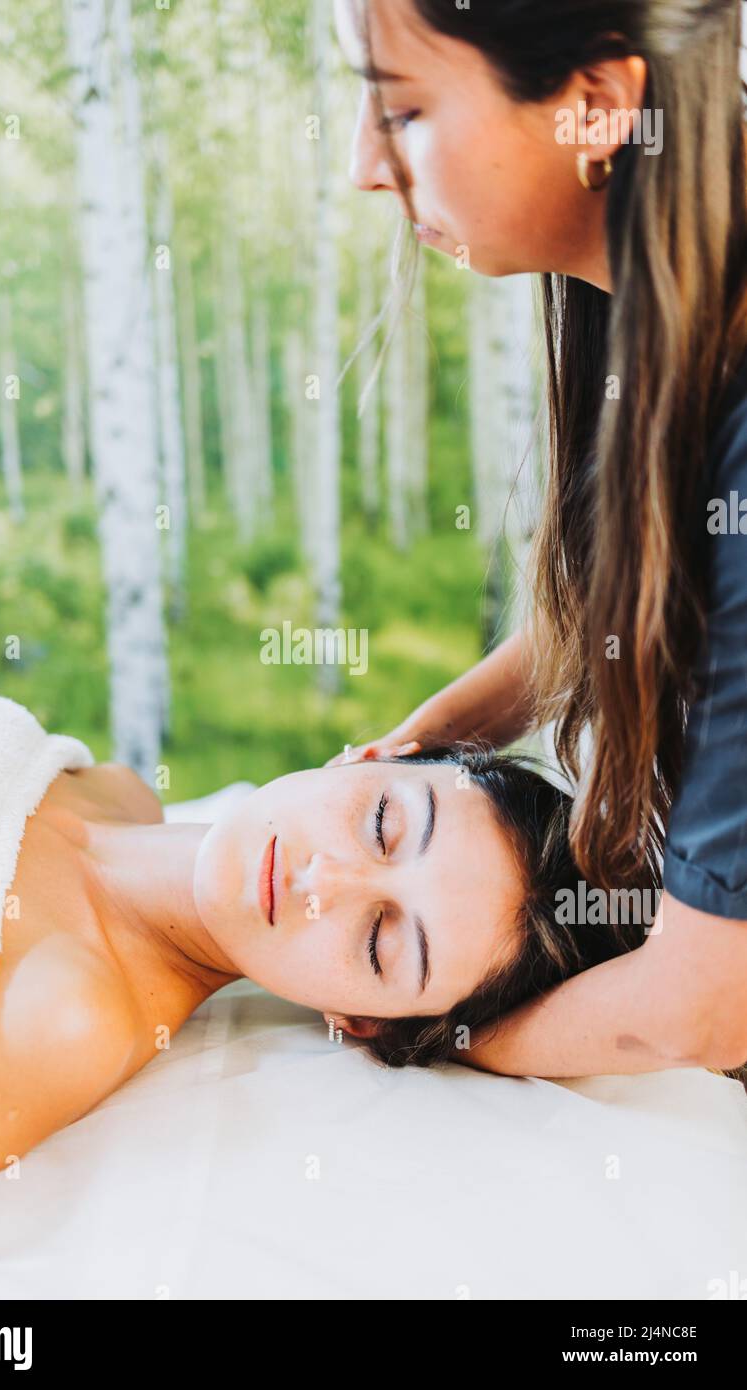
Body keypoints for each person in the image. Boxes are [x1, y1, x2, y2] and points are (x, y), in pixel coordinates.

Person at [329, 0, 747, 1080]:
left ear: (595, 107)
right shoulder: (671, 280)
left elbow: (703, 1007)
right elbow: (670, 577)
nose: (364, 167)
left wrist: (450, 1039)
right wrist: (444, 723)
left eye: (403, 111)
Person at [0, 737, 644, 1187]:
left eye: (380, 945)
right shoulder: (120, 788)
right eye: (382, 825)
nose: (325, 885)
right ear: (365, 756)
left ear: (361, 1020)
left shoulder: (64, 1016)